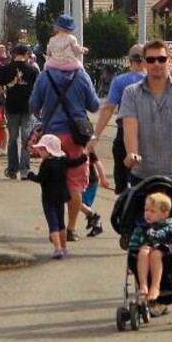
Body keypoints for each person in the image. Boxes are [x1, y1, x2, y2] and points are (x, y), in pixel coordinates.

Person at [28, 56, 99, 238]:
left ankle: (56, 227)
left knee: (53, 182)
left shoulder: (45, 76)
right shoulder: (81, 76)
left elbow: (33, 105)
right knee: (75, 184)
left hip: (52, 137)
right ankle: (71, 229)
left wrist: (45, 112)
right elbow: (94, 105)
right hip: (76, 136)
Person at [119, 40, 172, 190]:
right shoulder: (131, 93)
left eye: (161, 59)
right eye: (151, 60)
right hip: (142, 175)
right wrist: (132, 152)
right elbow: (130, 127)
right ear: (145, 64)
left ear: (169, 61)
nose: (156, 63)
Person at [91, 43, 147, 195]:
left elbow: (108, 109)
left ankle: (123, 207)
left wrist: (96, 135)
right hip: (148, 134)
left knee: (122, 178)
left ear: (130, 61)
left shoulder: (120, 81)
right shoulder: (153, 80)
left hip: (124, 133)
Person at [25, 134, 85, 259]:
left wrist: (30, 175)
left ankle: (57, 248)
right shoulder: (62, 161)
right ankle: (64, 247)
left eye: (42, 149)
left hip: (49, 198)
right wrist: (84, 156)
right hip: (62, 196)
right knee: (61, 223)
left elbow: (41, 179)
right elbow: (75, 162)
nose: (40, 152)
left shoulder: (46, 165)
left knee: (53, 224)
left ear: (49, 150)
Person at [129, 192, 172, 304]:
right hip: (144, 256)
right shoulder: (141, 228)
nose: (148, 214)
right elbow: (133, 244)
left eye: (152, 211)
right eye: (146, 210)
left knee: (156, 253)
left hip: (167, 258)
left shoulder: (170, 228)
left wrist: (170, 247)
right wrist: (134, 250)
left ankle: (155, 287)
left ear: (164, 214)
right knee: (144, 251)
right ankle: (143, 285)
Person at [0, 44, 40, 180]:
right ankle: (24, 170)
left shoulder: (5, 69)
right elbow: (38, 90)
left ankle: (12, 169)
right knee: (26, 138)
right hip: (28, 108)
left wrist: (4, 101)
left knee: (13, 138)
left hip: (12, 107)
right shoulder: (33, 70)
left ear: (14, 54)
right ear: (27, 55)